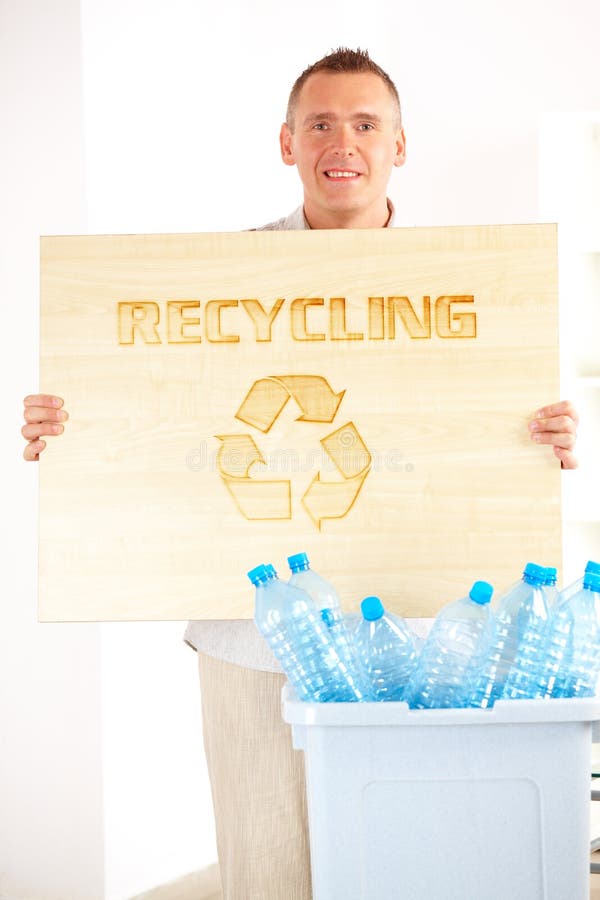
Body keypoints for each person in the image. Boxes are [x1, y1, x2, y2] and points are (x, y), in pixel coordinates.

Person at [22, 48, 579, 900]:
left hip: (410, 630)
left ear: (400, 145)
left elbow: (475, 434)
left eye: (365, 124)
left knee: (404, 859)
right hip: (250, 630)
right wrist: (76, 424)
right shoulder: (205, 282)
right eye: (320, 124)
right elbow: (147, 408)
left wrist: (537, 436)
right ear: (288, 143)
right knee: (266, 863)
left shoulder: (471, 288)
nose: (342, 143)